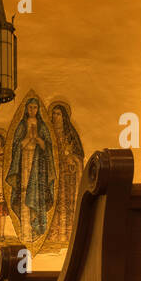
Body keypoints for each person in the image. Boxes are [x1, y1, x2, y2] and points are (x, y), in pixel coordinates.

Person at [5, 97, 57, 242]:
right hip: (24, 166)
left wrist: (39, 140)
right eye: (30, 107)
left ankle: (36, 230)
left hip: (39, 169)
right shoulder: (22, 125)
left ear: (38, 109)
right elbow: (16, 146)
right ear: (26, 109)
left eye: (35, 107)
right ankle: (25, 231)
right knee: (23, 194)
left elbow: (48, 148)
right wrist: (28, 138)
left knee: (36, 196)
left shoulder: (42, 126)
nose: (32, 110)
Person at [49, 102, 85, 245]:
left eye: (58, 114)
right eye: (54, 114)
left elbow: (79, 155)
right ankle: (54, 234)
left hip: (67, 175)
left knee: (66, 203)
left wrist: (72, 158)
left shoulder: (70, 134)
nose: (55, 116)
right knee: (54, 203)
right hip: (53, 174)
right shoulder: (49, 133)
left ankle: (67, 233)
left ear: (64, 117)